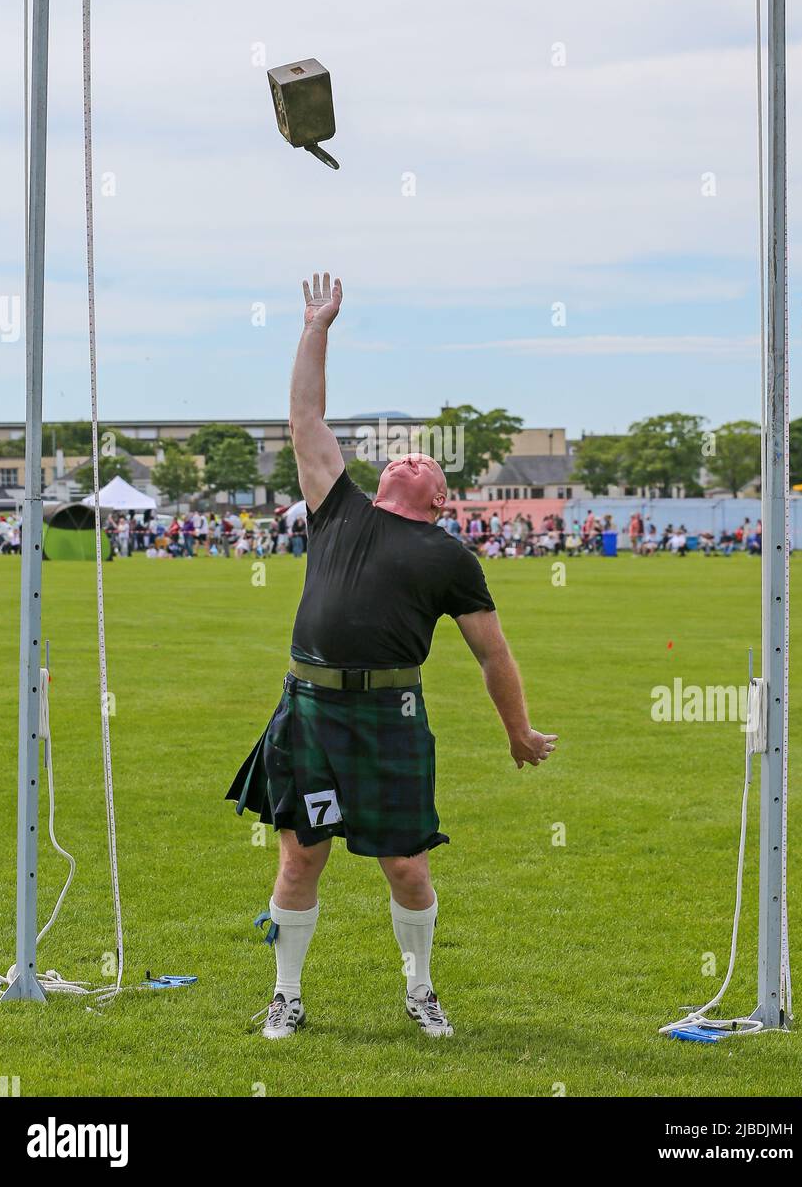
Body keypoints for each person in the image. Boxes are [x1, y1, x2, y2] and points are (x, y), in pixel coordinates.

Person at [226, 273, 556, 1042]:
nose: (410, 456)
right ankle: (287, 995)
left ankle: (421, 989)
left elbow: (492, 654)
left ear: (441, 499)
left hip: (389, 716)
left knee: (406, 866)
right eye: (401, 454)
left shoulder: (449, 557)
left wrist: (518, 729)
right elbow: (304, 414)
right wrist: (317, 329)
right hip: (309, 706)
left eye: (426, 460)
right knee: (301, 859)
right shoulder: (336, 507)